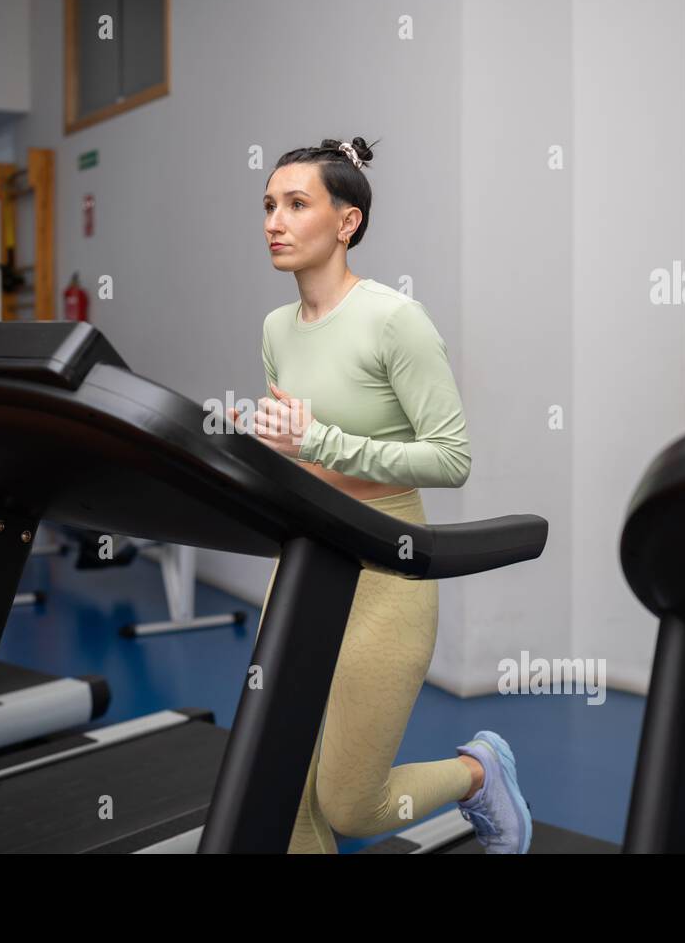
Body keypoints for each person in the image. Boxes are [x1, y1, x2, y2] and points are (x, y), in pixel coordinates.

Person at [228, 136, 532, 854]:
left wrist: (319, 443)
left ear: (347, 222)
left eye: (296, 204)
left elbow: (451, 457)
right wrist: (261, 445)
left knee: (350, 804)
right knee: (283, 790)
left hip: (385, 573)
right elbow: (296, 452)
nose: (274, 220)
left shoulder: (395, 321)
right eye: (268, 205)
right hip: (300, 567)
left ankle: (478, 774)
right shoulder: (276, 329)